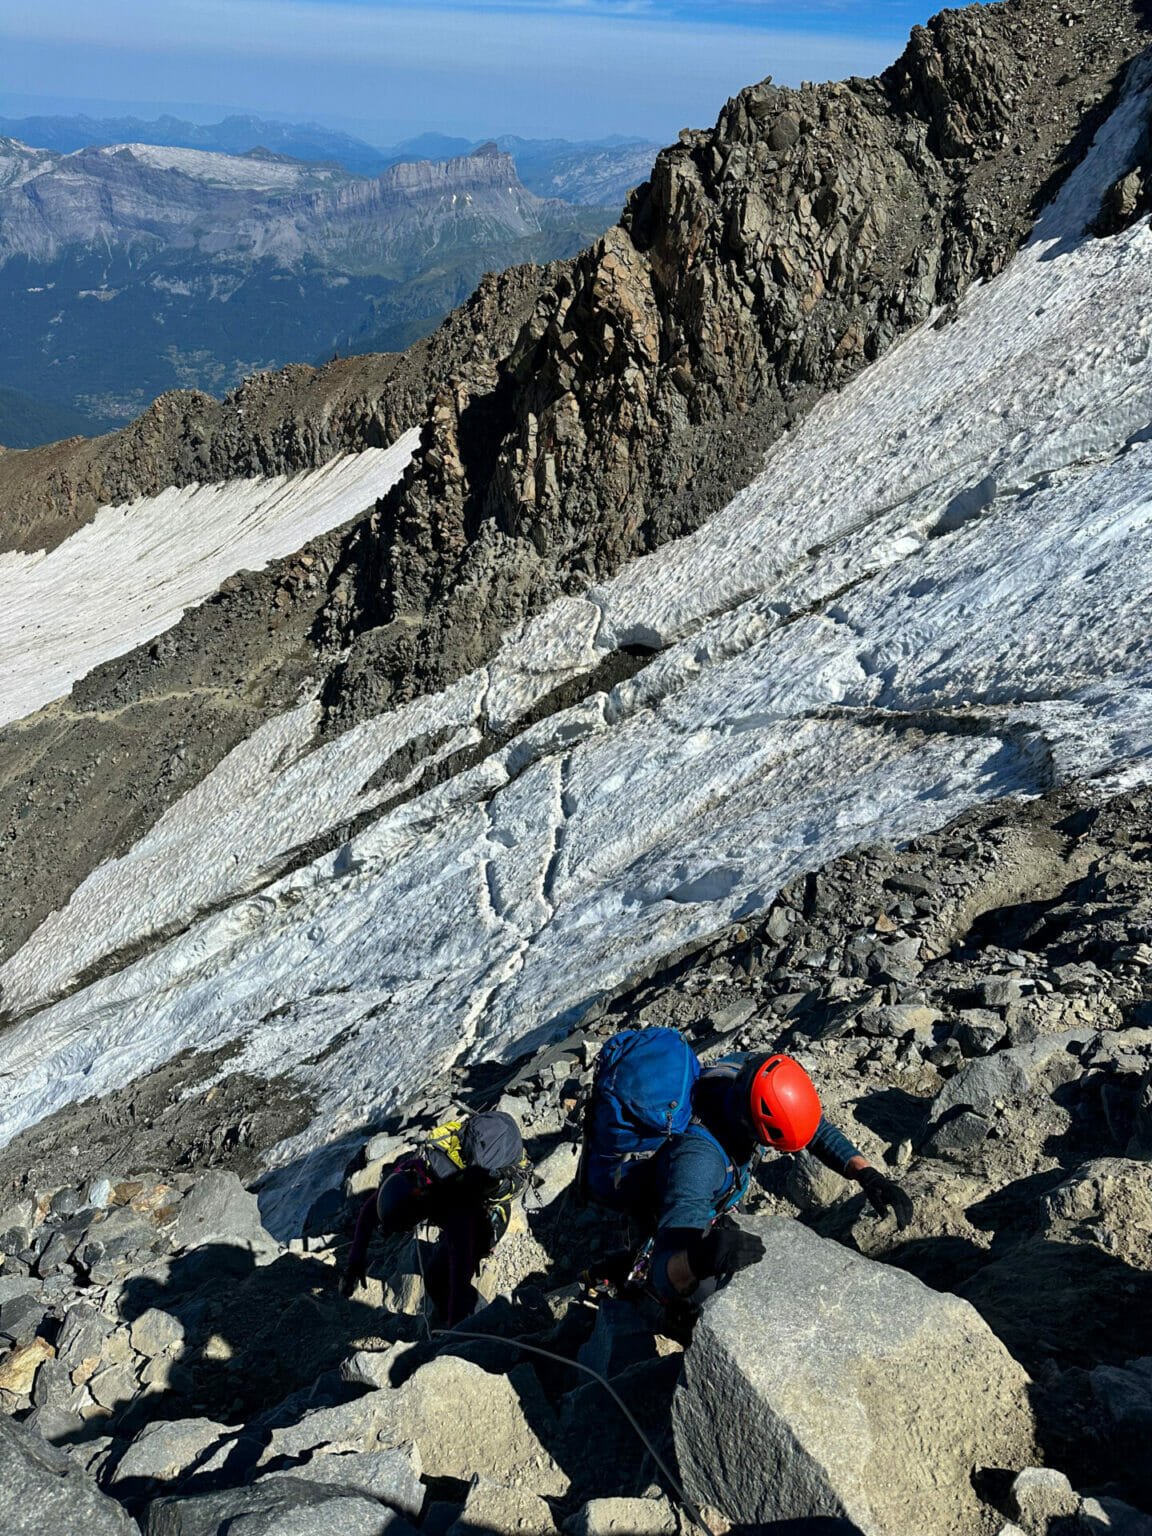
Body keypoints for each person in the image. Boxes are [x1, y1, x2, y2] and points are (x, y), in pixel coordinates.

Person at [583, 1047, 913, 1306]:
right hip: (675, 1206)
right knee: (705, 1292)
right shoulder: (698, 1162)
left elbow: (811, 1128)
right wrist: (698, 1260)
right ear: (751, 1127)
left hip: (703, 1192)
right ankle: (630, 1283)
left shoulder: (750, 1076)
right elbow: (667, 1268)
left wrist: (867, 1174)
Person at [339, 1110, 531, 1326]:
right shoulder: (411, 1170)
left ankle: (490, 1325)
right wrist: (355, 1261)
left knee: (437, 1278)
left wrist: (454, 1332)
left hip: (488, 1215)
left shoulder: (454, 1212)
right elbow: (369, 1210)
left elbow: (458, 1275)